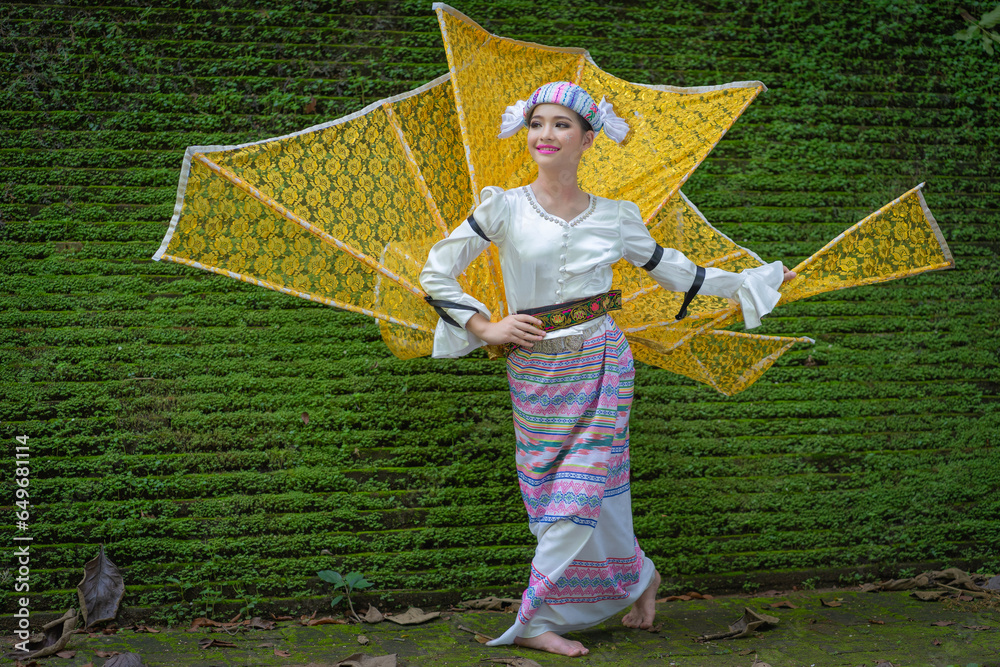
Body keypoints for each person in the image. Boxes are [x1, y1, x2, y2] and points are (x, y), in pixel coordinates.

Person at [419, 81, 797, 658]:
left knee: (579, 492)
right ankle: (641, 575)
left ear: (588, 138)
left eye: (562, 125)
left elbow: (675, 271)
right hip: (535, 373)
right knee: (566, 495)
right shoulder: (501, 206)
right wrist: (485, 326)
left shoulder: (618, 218)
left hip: (602, 362)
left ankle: (536, 618)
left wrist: (750, 282)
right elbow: (436, 273)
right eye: (537, 123)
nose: (546, 134)